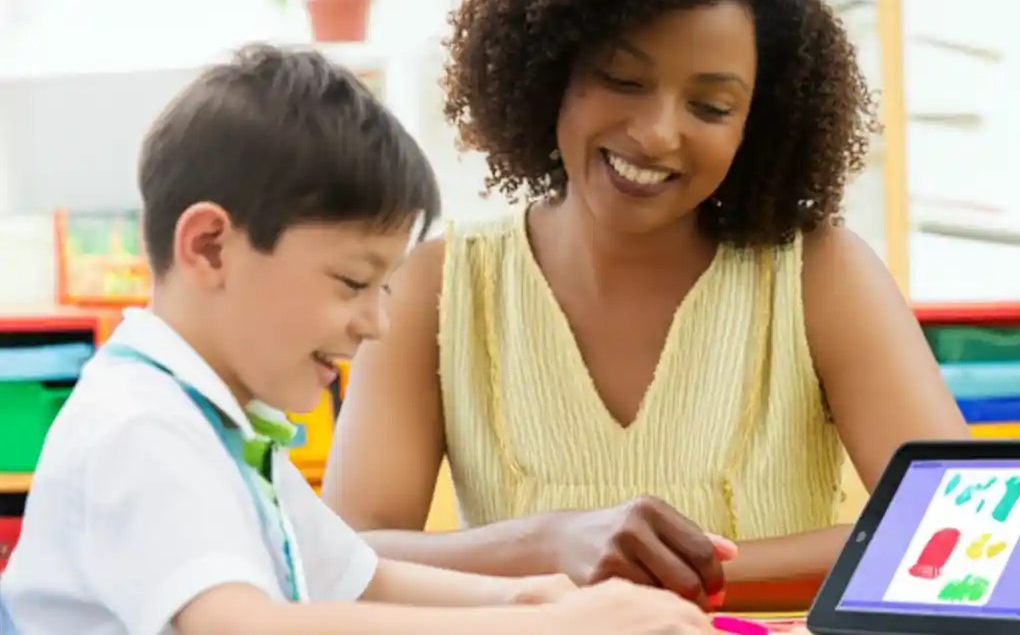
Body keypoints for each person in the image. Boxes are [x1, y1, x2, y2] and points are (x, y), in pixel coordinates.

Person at [323, 0, 969, 613]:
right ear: (551, 68)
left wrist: (675, 569)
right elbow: (344, 552)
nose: (658, 133)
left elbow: (965, 530)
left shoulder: (819, 275)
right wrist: (549, 543)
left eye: (711, 106)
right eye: (623, 79)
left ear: (760, 122)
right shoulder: (443, 286)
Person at [0, 44, 719, 635]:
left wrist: (537, 601)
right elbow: (242, 626)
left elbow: (357, 579)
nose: (376, 322)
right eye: (352, 283)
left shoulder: (226, 432)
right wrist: (559, 629)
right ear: (211, 247)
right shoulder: (141, 428)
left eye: (383, 289)